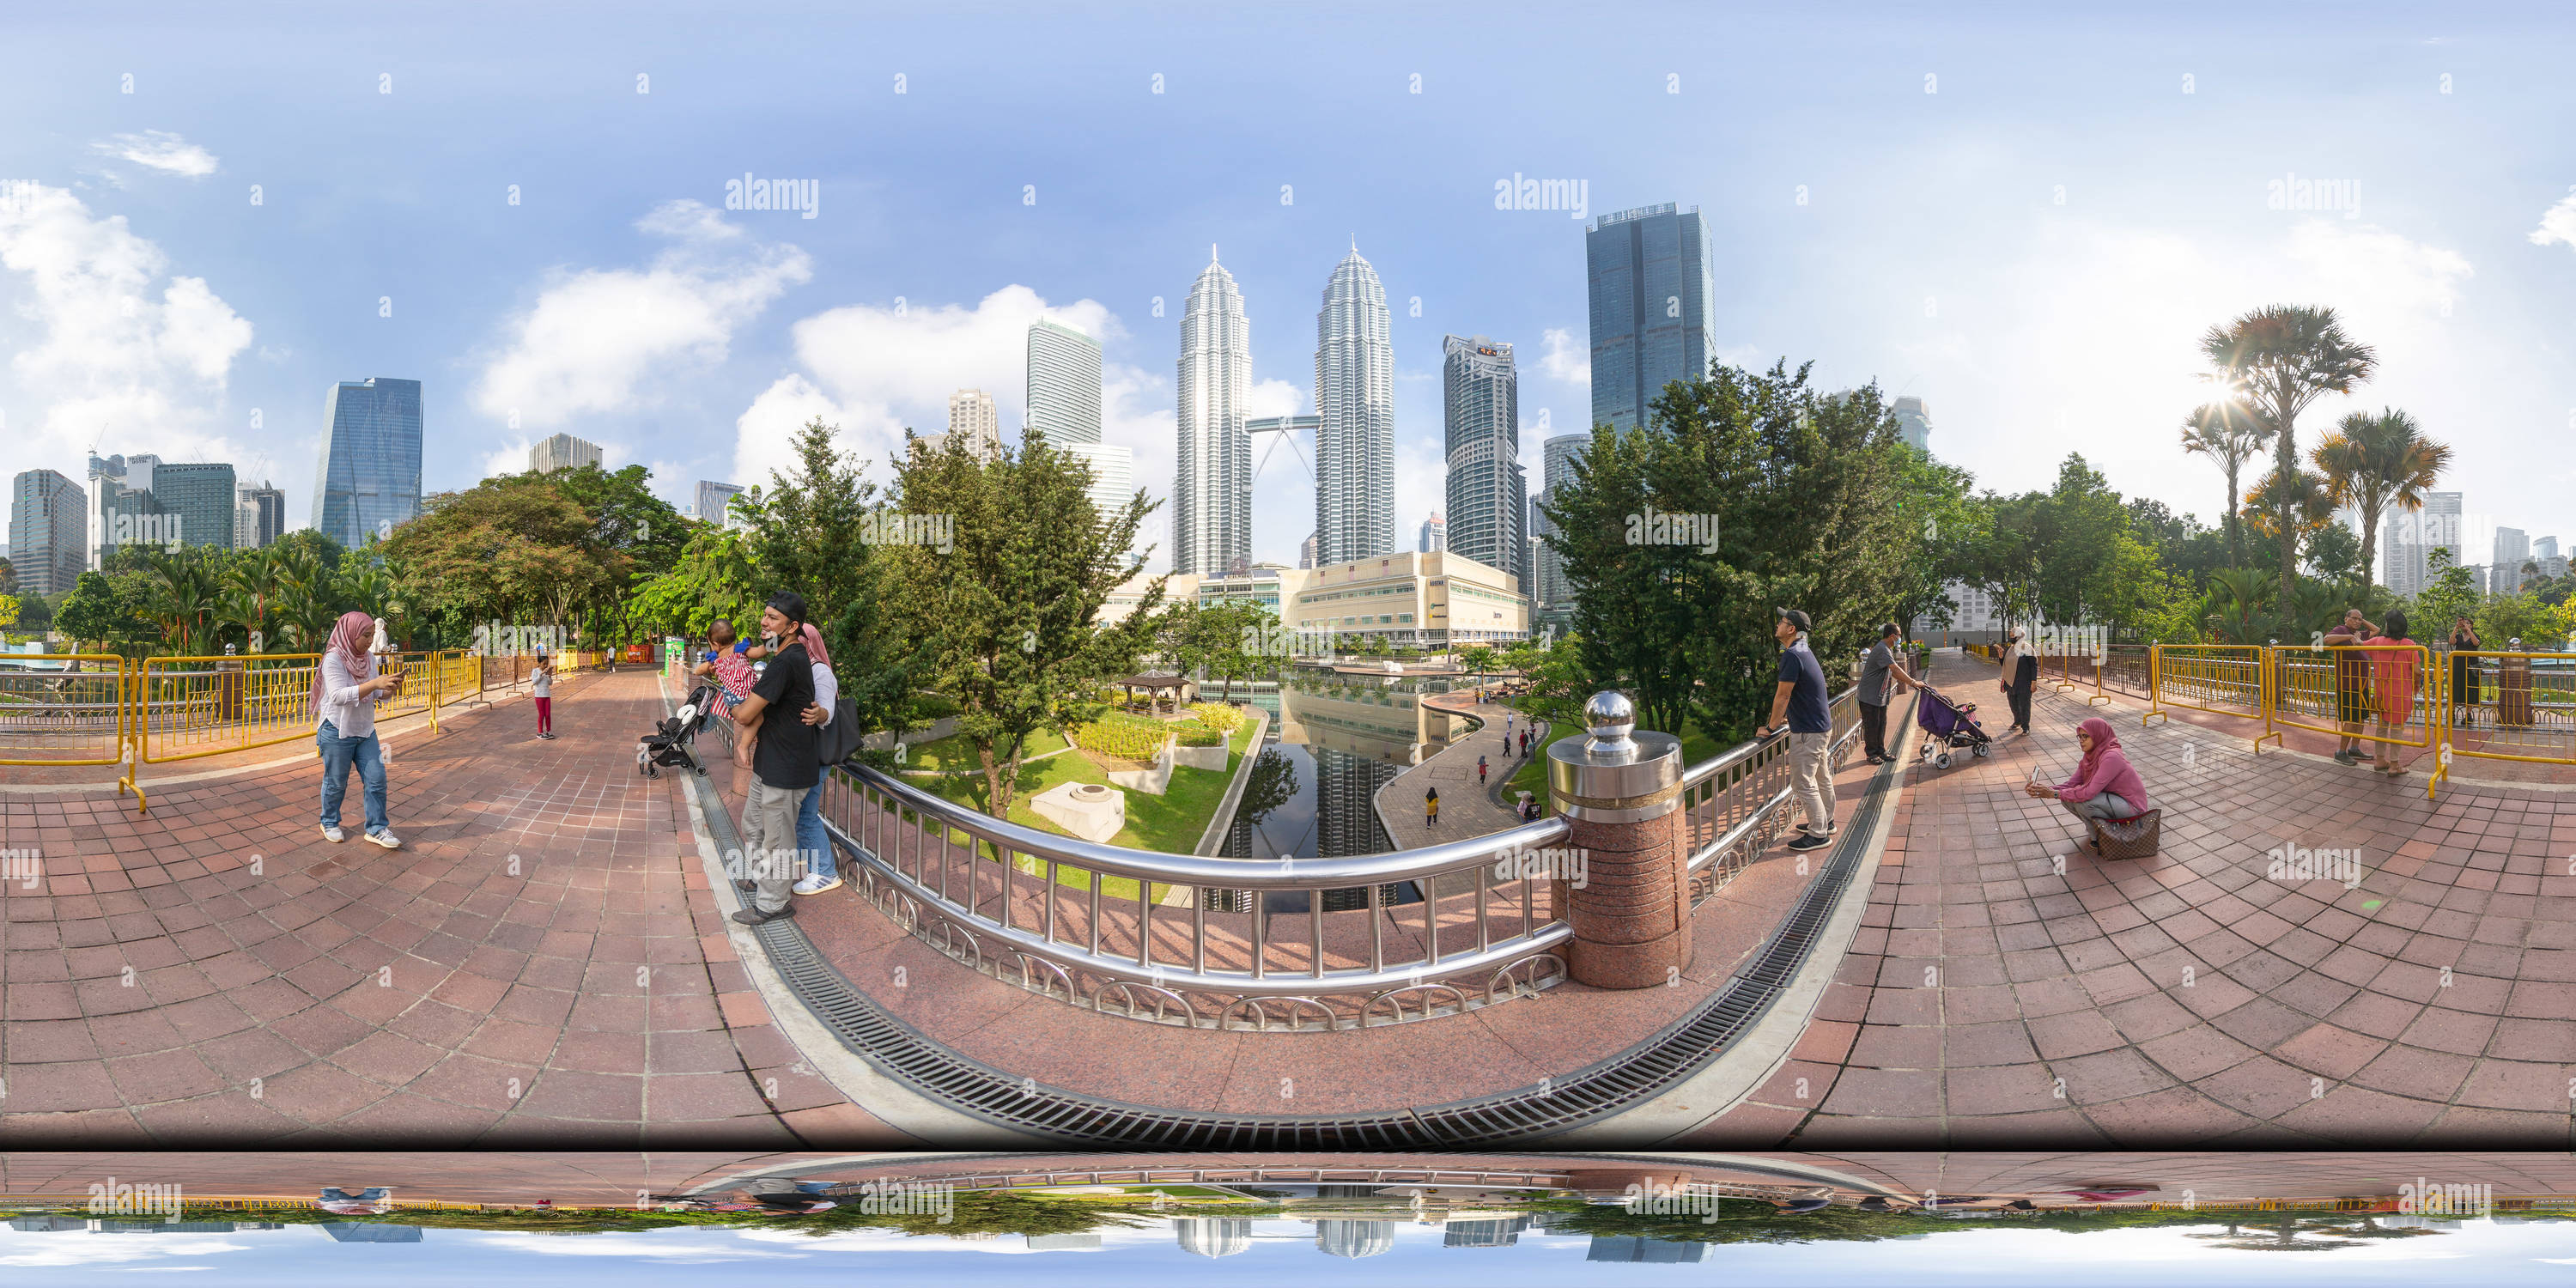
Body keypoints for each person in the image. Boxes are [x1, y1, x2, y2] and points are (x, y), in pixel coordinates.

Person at [730, 592, 822, 925]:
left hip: (788, 766)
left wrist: (734, 704)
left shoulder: (787, 660)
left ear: (793, 626)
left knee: (778, 840)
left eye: (773, 618)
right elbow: (755, 650)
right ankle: (760, 877)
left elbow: (745, 715)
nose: (764, 622)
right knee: (753, 825)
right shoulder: (778, 649)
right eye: (765, 615)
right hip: (770, 761)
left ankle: (773, 904)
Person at [313, 610, 403, 849]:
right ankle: (329, 821)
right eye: (365, 635)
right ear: (350, 633)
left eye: (372, 635)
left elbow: (373, 693)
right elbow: (339, 696)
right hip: (336, 729)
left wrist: (389, 689)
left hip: (364, 730)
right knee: (336, 782)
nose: (370, 640)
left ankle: (376, 828)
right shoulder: (334, 658)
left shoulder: (369, 659)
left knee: (377, 779)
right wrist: (374, 683)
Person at [1755, 608, 1835, 852]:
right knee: (1821, 776)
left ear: (1791, 629)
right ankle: (1827, 821)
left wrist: (1771, 726)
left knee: (1802, 782)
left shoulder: (1792, 654)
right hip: (1819, 726)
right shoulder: (1804, 650)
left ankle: (1819, 833)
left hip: (1809, 732)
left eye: (1782, 621)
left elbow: (1784, 695)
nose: (1777, 624)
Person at [2025, 716, 2153, 855]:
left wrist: (2052, 794)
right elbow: (2071, 784)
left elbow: (2089, 793)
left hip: (2132, 809)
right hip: (2112, 801)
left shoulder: (2111, 757)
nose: (2081, 740)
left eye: (2085, 736)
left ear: (2098, 735)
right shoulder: (2089, 757)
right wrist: (2043, 790)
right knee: (2068, 798)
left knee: (2083, 802)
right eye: (2079, 737)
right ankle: (2101, 833)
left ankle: (2104, 836)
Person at [1857, 622, 1923, 764]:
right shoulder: (1882, 649)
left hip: (1878, 695)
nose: (1900, 638)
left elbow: (1894, 670)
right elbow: (1895, 669)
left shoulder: (1886, 648)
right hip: (1869, 696)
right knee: (1872, 725)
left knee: (1881, 724)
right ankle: (1871, 754)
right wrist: (1912, 682)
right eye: (1899, 635)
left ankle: (1880, 751)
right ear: (1892, 636)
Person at [2365, 610, 2421, 777]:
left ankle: (2380, 760)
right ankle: (2394, 765)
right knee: (2397, 729)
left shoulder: (2377, 641)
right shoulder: (2409, 644)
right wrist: (2416, 684)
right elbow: (2417, 671)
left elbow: (2358, 644)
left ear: (2389, 625)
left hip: (2382, 693)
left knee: (2381, 727)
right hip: (2401, 693)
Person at [2325, 608, 2372, 765]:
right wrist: (2351, 636)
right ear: (2346, 619)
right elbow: (2326, 640)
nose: (2358, 621)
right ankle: (2341, 752)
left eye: (2360, 619)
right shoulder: (2341, 629)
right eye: (2354, 618)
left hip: (2362, 685)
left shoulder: (2361, 633)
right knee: (2351, 720)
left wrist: (2360, 620)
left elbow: (2376, 630)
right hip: (2348, 684)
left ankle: (2355, 748)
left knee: (2360, 719)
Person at [692, 618, 757, 711]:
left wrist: (695, 671)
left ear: (716, 644)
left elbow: (703, 668)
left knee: (738, 720)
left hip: (732, 698)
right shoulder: (740, 649)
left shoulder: (716, 657)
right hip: (749, 694)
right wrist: (773, 642)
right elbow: (759, 652)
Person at [1998, 626, 2037, 734]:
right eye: (2010, 636)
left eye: (2012, 636)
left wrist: (2034, 682)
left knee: (2024, 705)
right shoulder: (2010, 649)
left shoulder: (2027, 648)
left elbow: (2033, 666)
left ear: (2019, 636)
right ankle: (2017, 721)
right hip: (2011, 682)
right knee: (2013, 704)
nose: (2011, 638)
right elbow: (2004, 665)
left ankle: (2025, 727)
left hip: (2024, 682)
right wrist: (2001, 656)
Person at [2449, 617, 2482, 728]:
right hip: (2458, 666)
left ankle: (2468, 714)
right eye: (2464, 623)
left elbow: (2476, 643)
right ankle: (2452, 713)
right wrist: (2456, 628)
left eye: (2467, 623)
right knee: (2456, 688)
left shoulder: (2475, 635)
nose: (2465, 624)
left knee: (2470, 690)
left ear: (2472, 626)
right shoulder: (2458, 636)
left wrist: (2469, 630)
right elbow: (2451, 641)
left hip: (2471, 666)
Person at [531, 651, 555, 739]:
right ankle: (540, 732)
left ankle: (549, 731)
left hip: (547, 695)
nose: (545, 665)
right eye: (544, 664)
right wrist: (541, 674)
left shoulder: (546, 671)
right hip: (539, 696)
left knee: (548, 714)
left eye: (547, 664)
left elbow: (550, 683)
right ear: (539, 663)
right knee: (542, 714)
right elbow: (534, 682)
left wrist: (550, 676)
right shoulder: (535, 671)